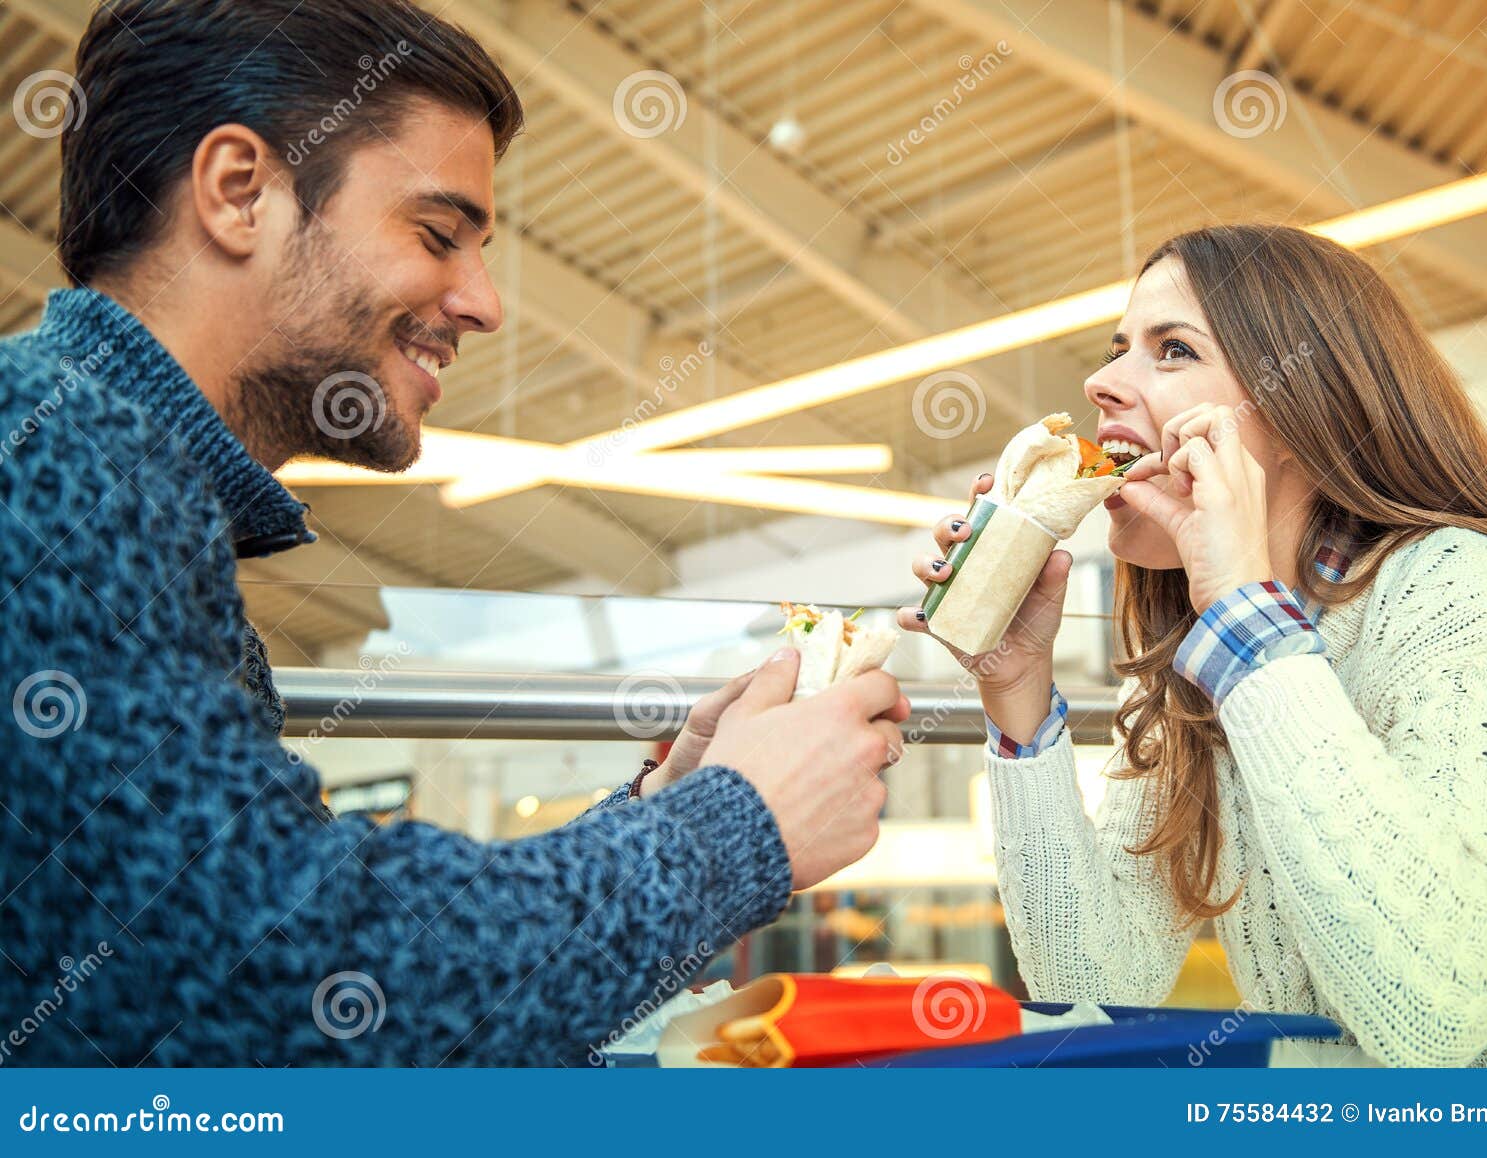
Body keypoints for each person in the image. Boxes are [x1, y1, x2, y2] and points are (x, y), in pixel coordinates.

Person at [0, 0, 905, 1066]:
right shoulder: (56, 457)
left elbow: (247, 948)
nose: (483, 303)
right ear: (239, 193)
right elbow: (298, 991)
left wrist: (673, 804)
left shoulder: (114, 469)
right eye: (438, 235)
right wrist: (738, 825)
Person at [903, 224, 1487, 1067]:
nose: (1100, 381)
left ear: (1305, 412)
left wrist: (1244, 613)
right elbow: (1095, 981)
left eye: (1172, 351)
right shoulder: (1202, 649)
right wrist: (1016, 692)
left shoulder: (1461, 591)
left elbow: (1433, 1019)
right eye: (1120, 347)